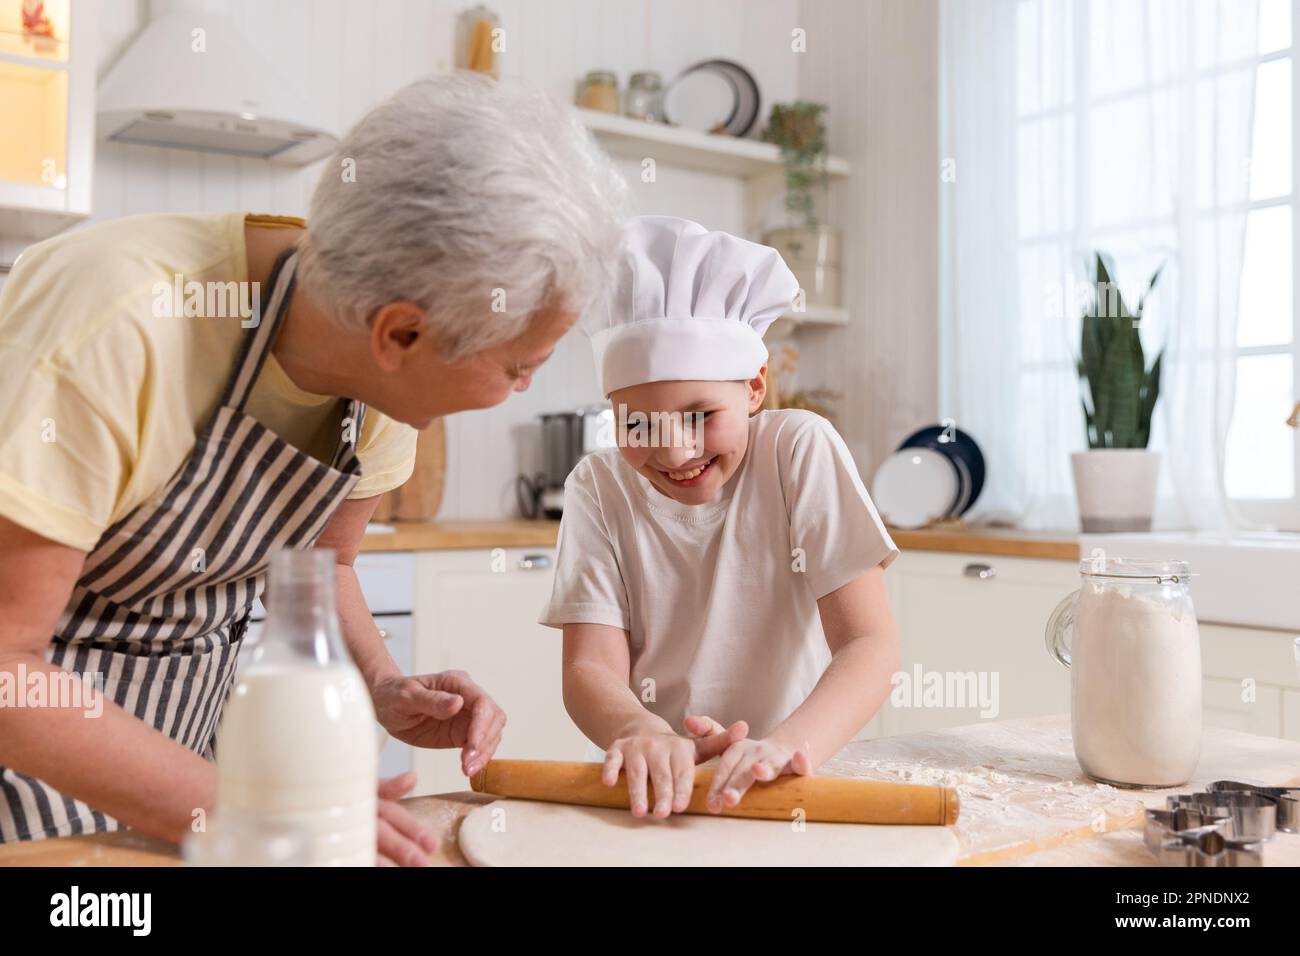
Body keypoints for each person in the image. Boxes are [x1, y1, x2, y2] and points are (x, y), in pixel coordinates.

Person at [0, 72, 625, 863]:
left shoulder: (383, 385)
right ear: (399, 336)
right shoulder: (120, 323)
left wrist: (384, 684)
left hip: (188, 785)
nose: (524, 389)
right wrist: (254, 810)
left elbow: (321, 570)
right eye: (518, 366)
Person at [543, 216, 900, 818]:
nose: (675, 451)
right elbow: (588, 668)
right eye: (637, 424)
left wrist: (784, 748)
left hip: (798, 782)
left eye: (701, 414)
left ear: (755, 386)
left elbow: (869, 644)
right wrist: (641, 732)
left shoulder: (797, 452)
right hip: (661, 790)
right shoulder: (598, 487)